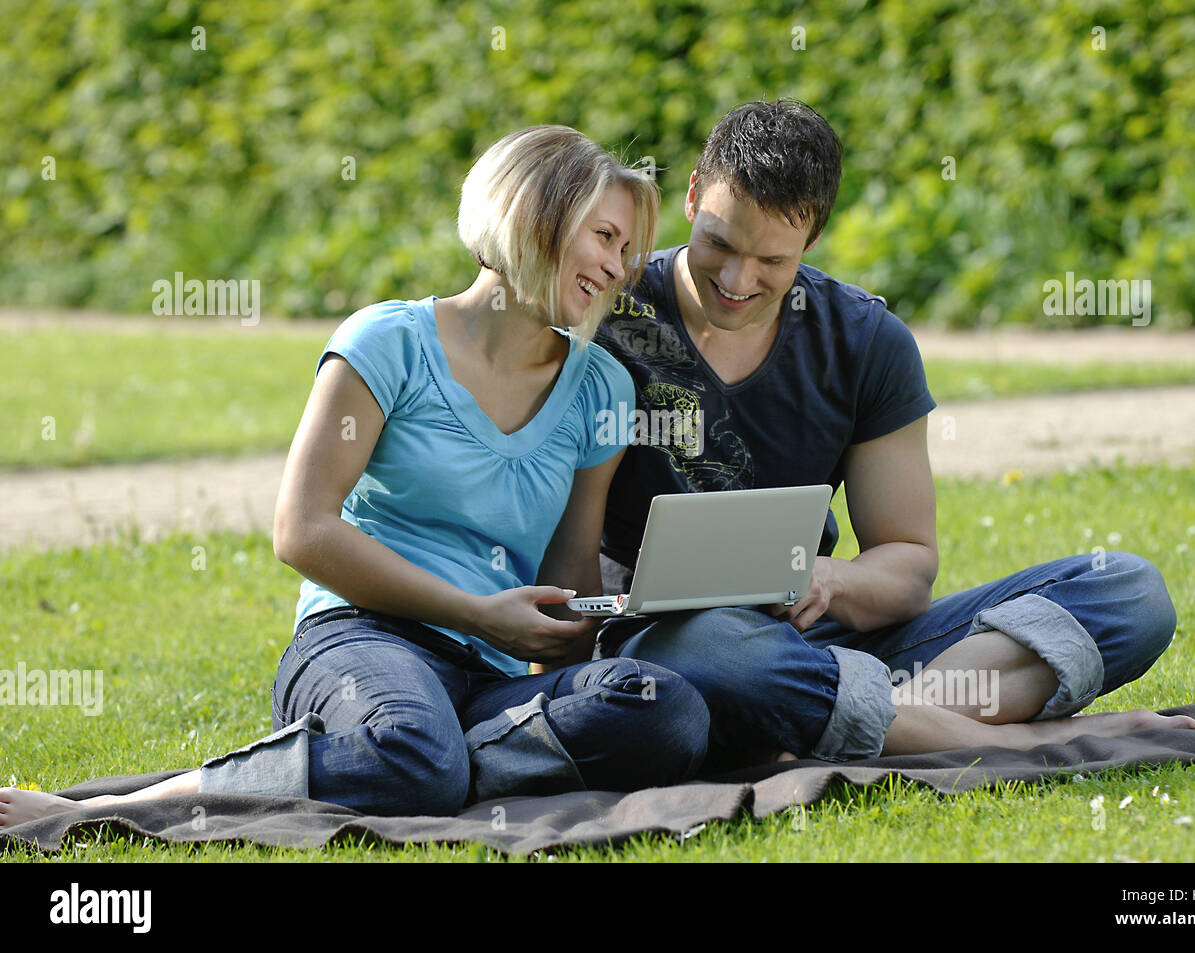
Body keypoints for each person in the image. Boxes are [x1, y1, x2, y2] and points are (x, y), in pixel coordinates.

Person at [0, 126, 710, 830]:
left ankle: (412, 764)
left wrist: (587, 632)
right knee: (417, 747)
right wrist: (474, 612)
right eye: (605, 237)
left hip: (486, 676)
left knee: (665, 707)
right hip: (363, 639)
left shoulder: (602, 387)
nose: (620, 268)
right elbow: (301, 531)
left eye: (628, 250)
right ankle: (116, 805)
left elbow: (570, 568)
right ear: (535, 215)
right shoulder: (387, 342)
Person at [593, 100, 1195, 770]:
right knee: (720, 649)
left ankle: (858, 717)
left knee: (1126, 591)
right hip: (664, 644)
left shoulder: (864, 341)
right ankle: (1005, 739)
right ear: (689, 197)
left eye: (771, 259)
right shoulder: (606, 314)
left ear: (815, 237)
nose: (737, 280)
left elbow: (907, 568)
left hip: (816, 645)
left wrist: (829, 578)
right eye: (720, 243)